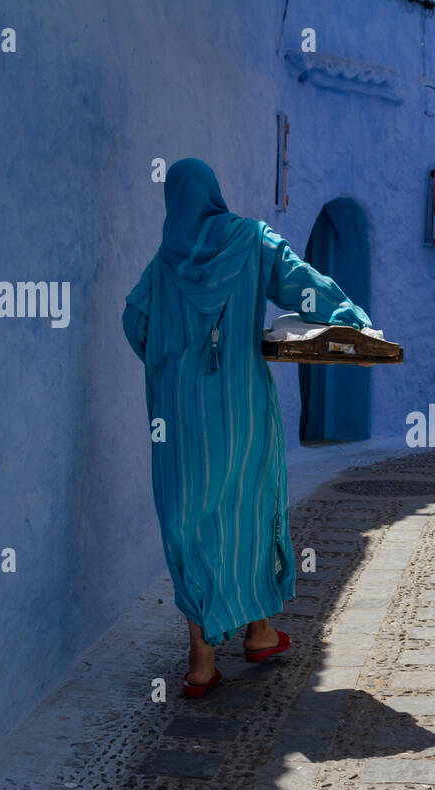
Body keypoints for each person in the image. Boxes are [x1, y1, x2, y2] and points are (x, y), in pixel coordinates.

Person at [121, 158, 372, 698]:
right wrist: (352, 317)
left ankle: (201, 661)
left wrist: (171, 361)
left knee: (188, 524)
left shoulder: (165, 261)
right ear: (213, 193)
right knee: (249, 510)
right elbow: (302, 285)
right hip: (241, 409)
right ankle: (258, 632)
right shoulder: (251, 239)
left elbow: (134, 321)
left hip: (180, 417)